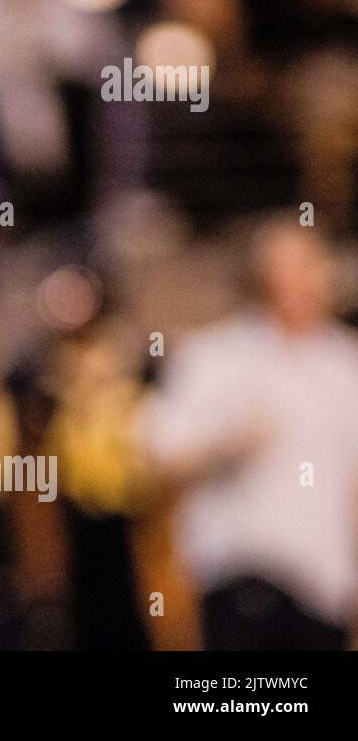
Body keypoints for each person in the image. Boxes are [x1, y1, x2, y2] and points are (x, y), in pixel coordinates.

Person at [143, 218, 358, 649]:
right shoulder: (216, 357)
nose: (311, 280)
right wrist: (225, 446)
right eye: (296, 268)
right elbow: (159, 454)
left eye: (315, 266)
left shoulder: (345, 363)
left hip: (325, 590)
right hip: (242, 581)